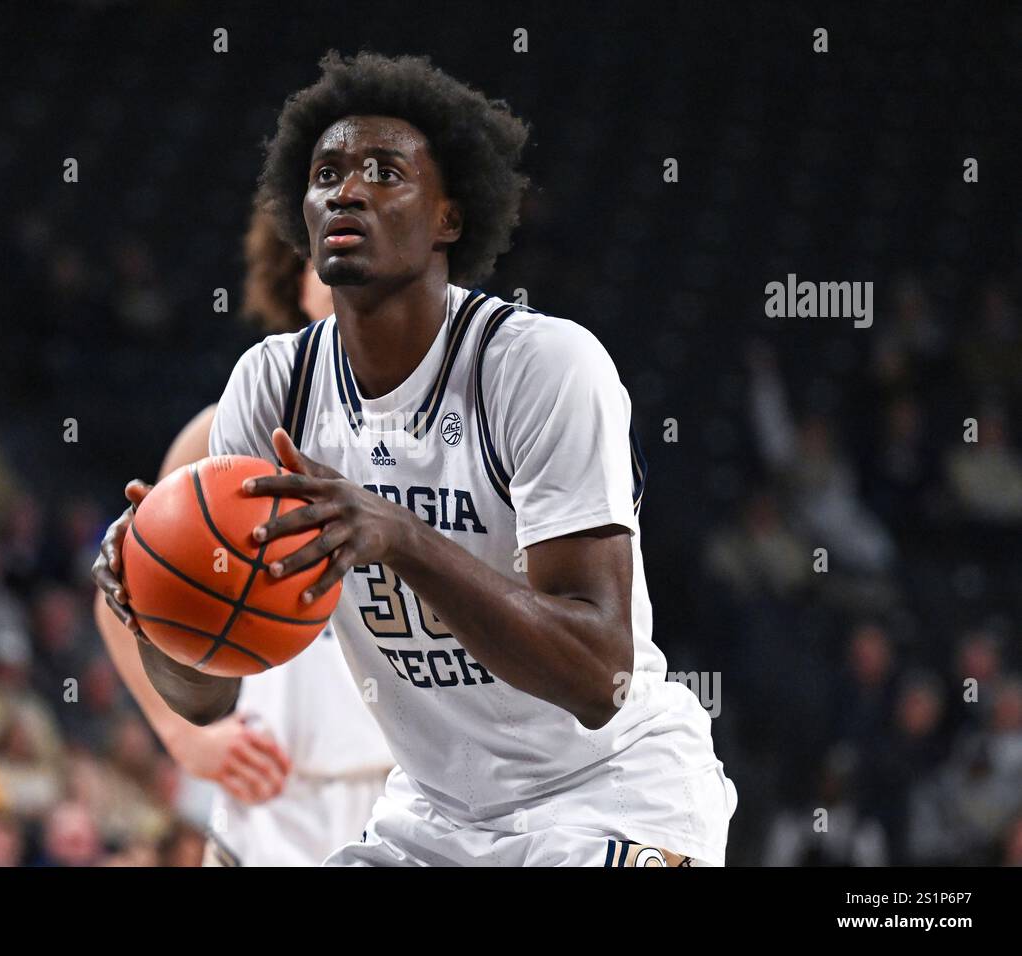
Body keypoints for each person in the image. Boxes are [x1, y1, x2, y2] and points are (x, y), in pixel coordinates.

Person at [95, 51, 736, 867]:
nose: (347, 191)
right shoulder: (273, 388)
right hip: (434, 818)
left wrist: (399, 536)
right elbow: (211, 691)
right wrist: (154, 606)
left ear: (449, 219)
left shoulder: (541, 368)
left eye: (384, 172)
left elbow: (596, 676)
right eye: (326, 173)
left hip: (607, 795)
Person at [93, 200, 393, 866]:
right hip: (279, 799)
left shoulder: (469, 426)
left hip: (426, 791)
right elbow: (123, 599)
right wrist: (182, 734)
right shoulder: (228, 428)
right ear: (294, 276)